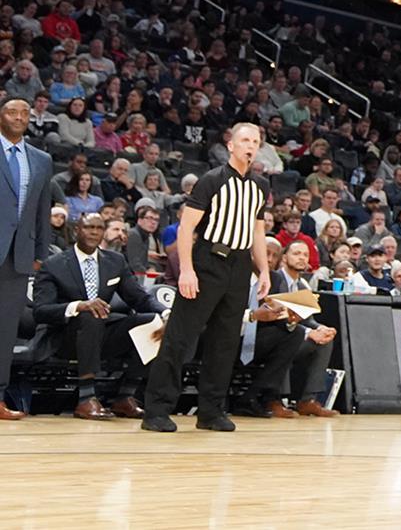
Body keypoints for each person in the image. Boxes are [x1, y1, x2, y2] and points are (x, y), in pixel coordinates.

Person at [141, 121, 272, 432]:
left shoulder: (262, 186)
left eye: (255, 141)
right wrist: (187, 269)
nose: (250, 145)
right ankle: (156, 410)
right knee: (180, 336)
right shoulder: (211, 180)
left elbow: (257, 230)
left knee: (225, 341)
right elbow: (187, 228)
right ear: (231, 144)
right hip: (208, 260)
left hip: (239, 266)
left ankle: (211, 411)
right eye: (244, 140)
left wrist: (263, 269)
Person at [31, 210, 159, 418]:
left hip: (103, 333)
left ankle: (125, 396)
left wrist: (167, 312)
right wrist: (79, 305)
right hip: (66, 337)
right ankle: (86, 398)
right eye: (89, 227)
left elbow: (139, 298)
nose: (94, 232)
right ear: (76, 231)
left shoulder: (115, 261)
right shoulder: (53, 265)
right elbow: (41, 311)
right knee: (90, 314)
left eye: (99, 228)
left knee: (153, 322)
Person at [0, 96, 55, 419]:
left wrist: (40, 254)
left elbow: (42, 209)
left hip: (18, 256)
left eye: (24, 112)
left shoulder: (41, 159)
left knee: (5, 330)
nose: (19, 116)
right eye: (12, 111)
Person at [248, 238, 339, 417]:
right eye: (296, 253)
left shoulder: (303, 285)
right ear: (284, 258)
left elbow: (308, 319)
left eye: (305, 255)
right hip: (267, 336)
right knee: (292, 335)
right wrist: (308, 332)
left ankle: (307, 400)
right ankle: (274, 399)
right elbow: (278, 320)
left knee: (324, 341)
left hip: (292, 332)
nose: (302, 258)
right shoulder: (274, 279)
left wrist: (321, 328)